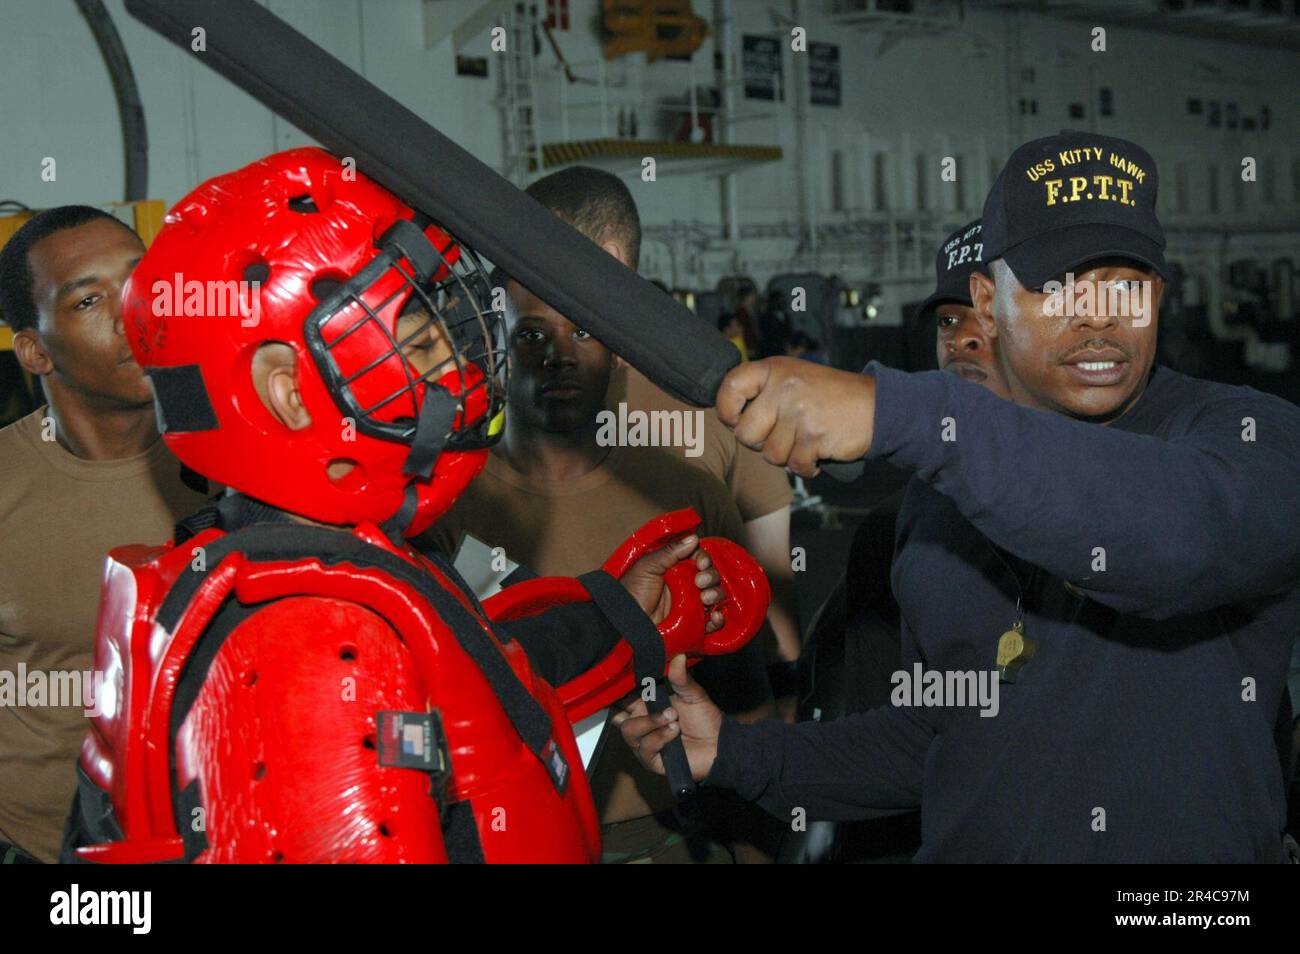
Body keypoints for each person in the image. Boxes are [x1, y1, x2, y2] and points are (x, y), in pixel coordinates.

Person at [59, 148, 766, 864]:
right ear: (289, 393)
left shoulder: (331, 561)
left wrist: (624, 608)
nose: (456, 369)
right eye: (418, 340)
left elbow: (483, 677)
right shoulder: (313, 652)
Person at [618, 131, 1300, 862]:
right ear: (988, 299)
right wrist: (735, 754)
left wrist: (901, 412)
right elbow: (941, 736)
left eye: (1126, 285)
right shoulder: (943, 497)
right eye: (1058, 285)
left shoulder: (1250, 439)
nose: (1099, 315)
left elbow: (1176, 536)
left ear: (1161, 295)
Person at [422, 263, 774, 863]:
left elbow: (748, 706)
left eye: (582, 333)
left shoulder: (685, 496)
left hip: (661, 838)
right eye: (532, 334)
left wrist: (757, 852)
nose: (559, 355)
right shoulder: (441, 506)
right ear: (497, 346)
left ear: (618, 355)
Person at [524, 168, 800, 691]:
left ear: (607, 258)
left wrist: (768, 738)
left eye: (536, 255)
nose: (521, 275)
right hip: (525, 742)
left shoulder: (722, 399)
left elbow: (773, 607)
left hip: (683, 750)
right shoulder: (501, 399)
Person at [786, 218, 1009, 863]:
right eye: (947, 320)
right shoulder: (893, 531)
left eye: (989, 315)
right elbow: (877, 741)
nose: (964, 336)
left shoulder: (1124, 504)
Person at [0, 207, 215, 864]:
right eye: (91, 299)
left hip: (227, 840)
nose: (134, 312)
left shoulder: (247, 453)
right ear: (36, 351)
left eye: (143, 280)